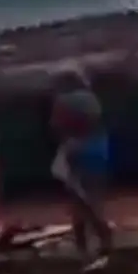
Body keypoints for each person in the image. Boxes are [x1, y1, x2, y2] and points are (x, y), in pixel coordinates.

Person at [50, 69, 114, 257]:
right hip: (99, 148)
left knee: (77, 199)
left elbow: (55, 126)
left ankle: (84, 245)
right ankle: (103, 238)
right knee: (94, 195)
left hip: (75, 150)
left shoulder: (61, 101)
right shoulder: (91, 98)